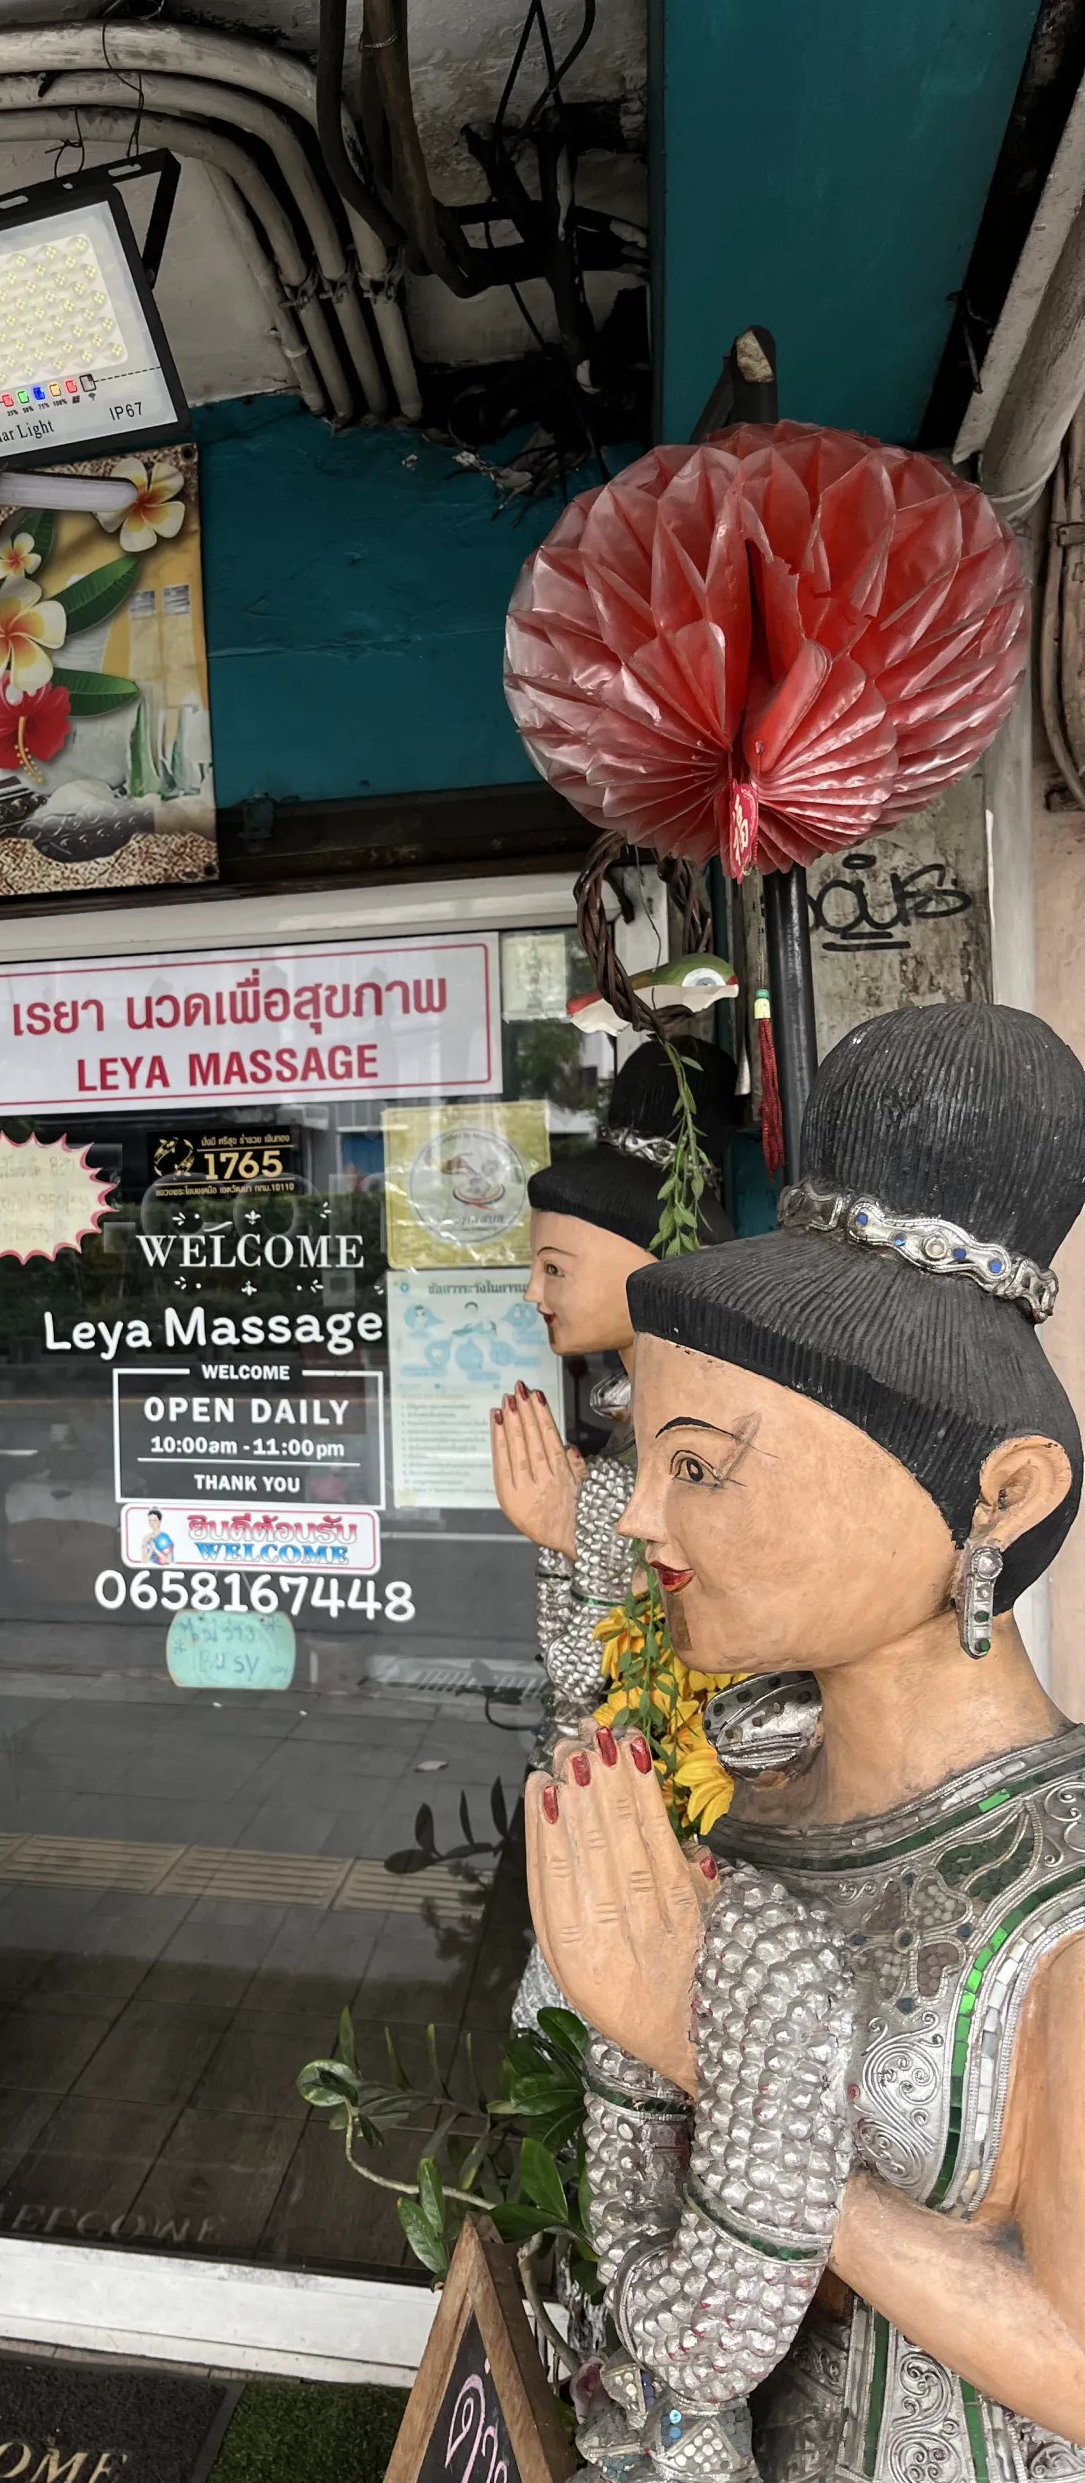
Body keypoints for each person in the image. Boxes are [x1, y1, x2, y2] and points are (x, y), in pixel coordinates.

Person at [527, 1002, 1085, 2477]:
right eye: (650, 1460)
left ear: (1002, 1497)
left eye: (700, 1467)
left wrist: (716, 2073)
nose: (641, 1520)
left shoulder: (1064, 1899)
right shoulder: (753, 1787)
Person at [490, 1034, 739, 1746]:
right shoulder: (640, 1418)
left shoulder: (695, 1440)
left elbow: (587, 1678)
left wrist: (577, 1535)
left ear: (650, 1265)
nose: (534, 1290)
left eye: (556, 1269)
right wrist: (563, 1536)